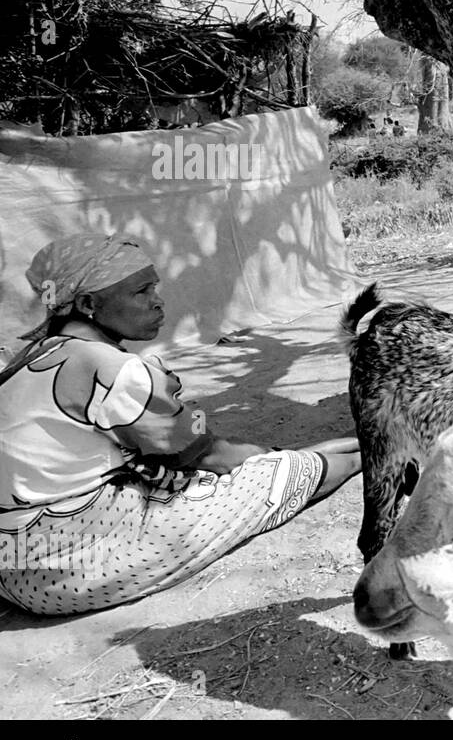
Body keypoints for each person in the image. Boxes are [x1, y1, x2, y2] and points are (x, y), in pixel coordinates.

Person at [0, 235, 362, 615]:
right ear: (89, 304)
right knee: (279, 476)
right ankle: (367, 458)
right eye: (141, 291)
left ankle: (347, 446)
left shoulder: (31, 358)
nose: (158, 301)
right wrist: (277, 459)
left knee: (221, 469)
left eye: (155, 287)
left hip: (12, 566)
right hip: (69, 569)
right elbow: (210, 455)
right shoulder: (111, 369)